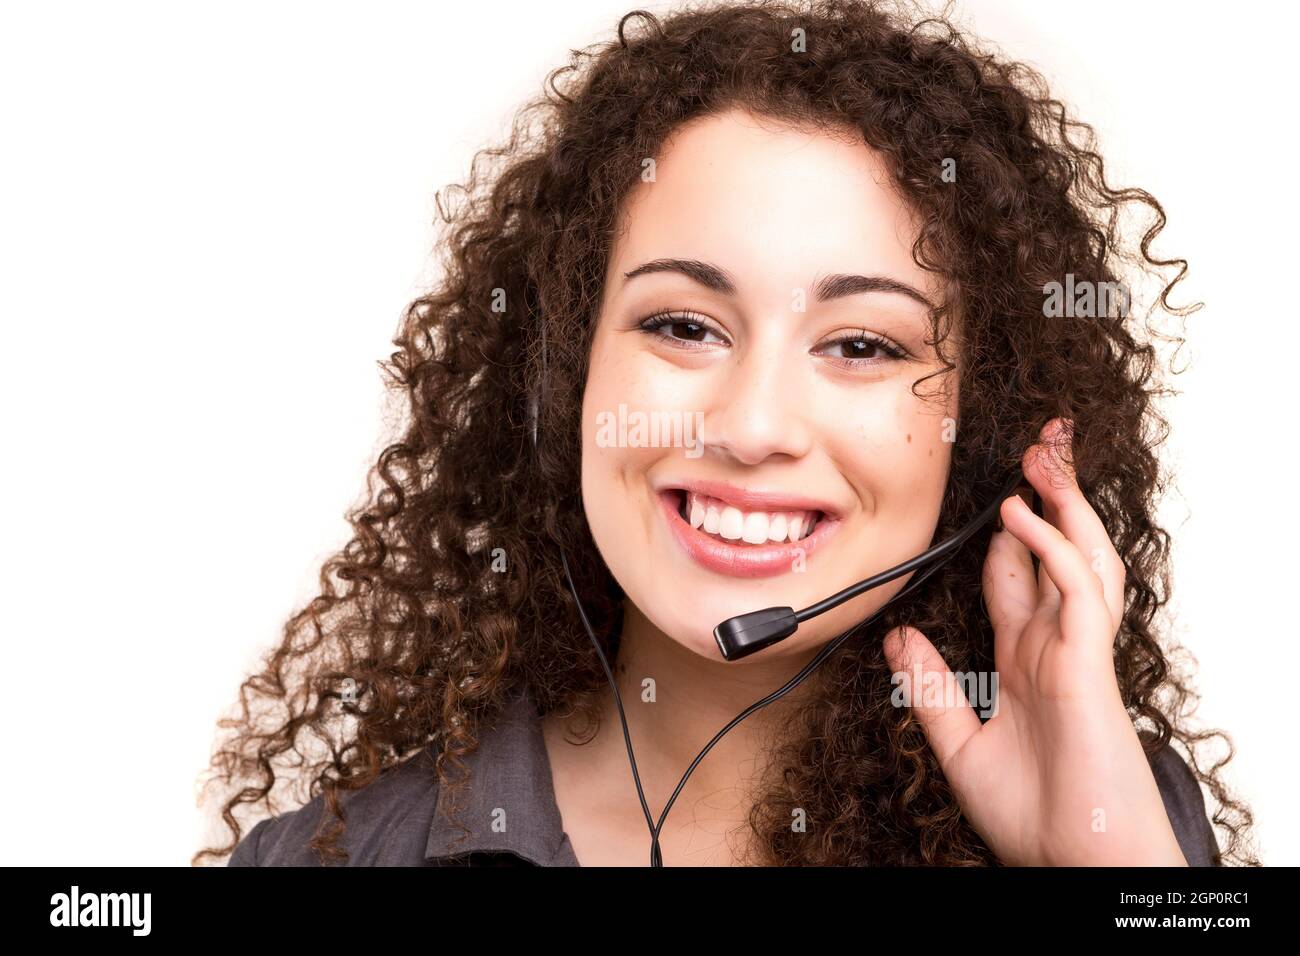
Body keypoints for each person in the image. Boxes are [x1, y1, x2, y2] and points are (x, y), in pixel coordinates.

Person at [196, 0, 1257, 867]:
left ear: (972, 433)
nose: (751, 426)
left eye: (861, 346)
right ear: (559, 379)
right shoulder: (336, 854)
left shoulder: (1119, 817)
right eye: (683, 325)